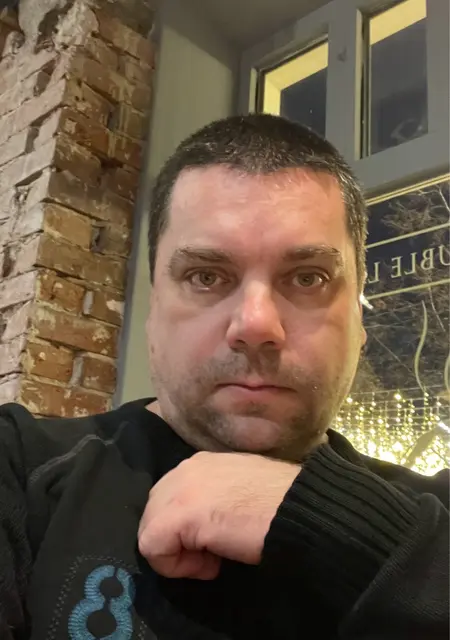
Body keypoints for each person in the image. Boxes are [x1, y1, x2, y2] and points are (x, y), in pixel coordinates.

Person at [0, 114, 448, 640]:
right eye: (206, 276)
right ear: (152, 311)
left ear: (358, 316)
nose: (256, 324)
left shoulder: (433, 521)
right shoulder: (19, 469)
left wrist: (350, 529)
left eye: (308, 278)